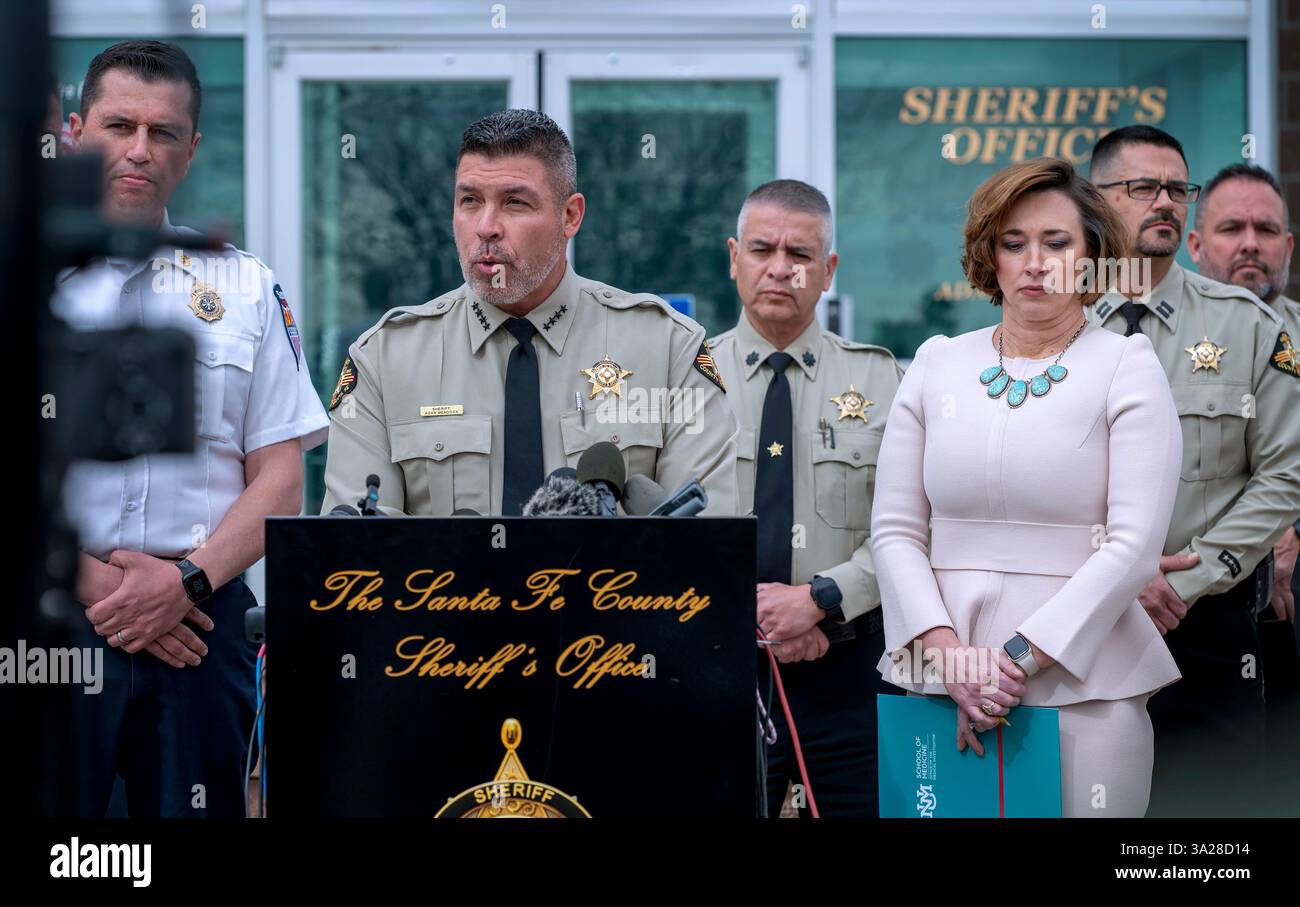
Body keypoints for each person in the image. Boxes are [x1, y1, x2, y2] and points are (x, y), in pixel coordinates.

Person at [56, 40, 329, 816]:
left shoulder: (246, 287)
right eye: (119, 124)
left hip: (203, 627)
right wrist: (105, 587)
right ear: (77, 131)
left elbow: (280, 480)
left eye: (164, 132)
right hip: (57, 628)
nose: (140, 150)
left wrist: (183, 582)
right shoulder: (26, 283)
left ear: (191, 149)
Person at [872, 157, 1182, 818]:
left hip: (1085, 683)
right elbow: (896, 530)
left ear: (1092, 255)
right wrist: (953, 661)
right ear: (990, 256)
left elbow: (1132, 547)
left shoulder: (1128, 365)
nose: (1034, 261)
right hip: (940, 679)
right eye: (1013, 243)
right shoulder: (935, 363)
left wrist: (1012, 662)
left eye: (1057, 242)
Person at [320, 109, 737, 516]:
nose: (486, 226)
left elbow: (706, 546)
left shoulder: (666, 349)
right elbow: (355, 554)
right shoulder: (386, 358)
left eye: (515, 203)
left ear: (570, 216)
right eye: (469, 200)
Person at [1087, 127, 1300, 816]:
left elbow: (1285, 474)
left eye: (1178, 189)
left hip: (1203, 629)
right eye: (1142, 187)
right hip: (1074, 625)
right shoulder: (1050, 320)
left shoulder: (1246, 327)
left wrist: (1191, 575)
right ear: (1096, 201)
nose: (1166, 203)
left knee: (1209, 840)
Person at [709, 179, 903, 817]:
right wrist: (754, 615)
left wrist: (822, 602)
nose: (780, 268)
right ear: (734, 257)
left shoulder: (888, 382)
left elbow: (914, 527)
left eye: (800, 254)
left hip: (850, 677)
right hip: (717, 676)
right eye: (763, 249)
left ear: (828, 271)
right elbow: (652, 528)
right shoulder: (684, 382)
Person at [1186, 161, 1300, 814]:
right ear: (1197, 246)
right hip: (1201, 616)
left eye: (1266, 228)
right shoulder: (1157, 340)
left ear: (1289, 245)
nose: (1250, 242)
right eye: (1232, 228)